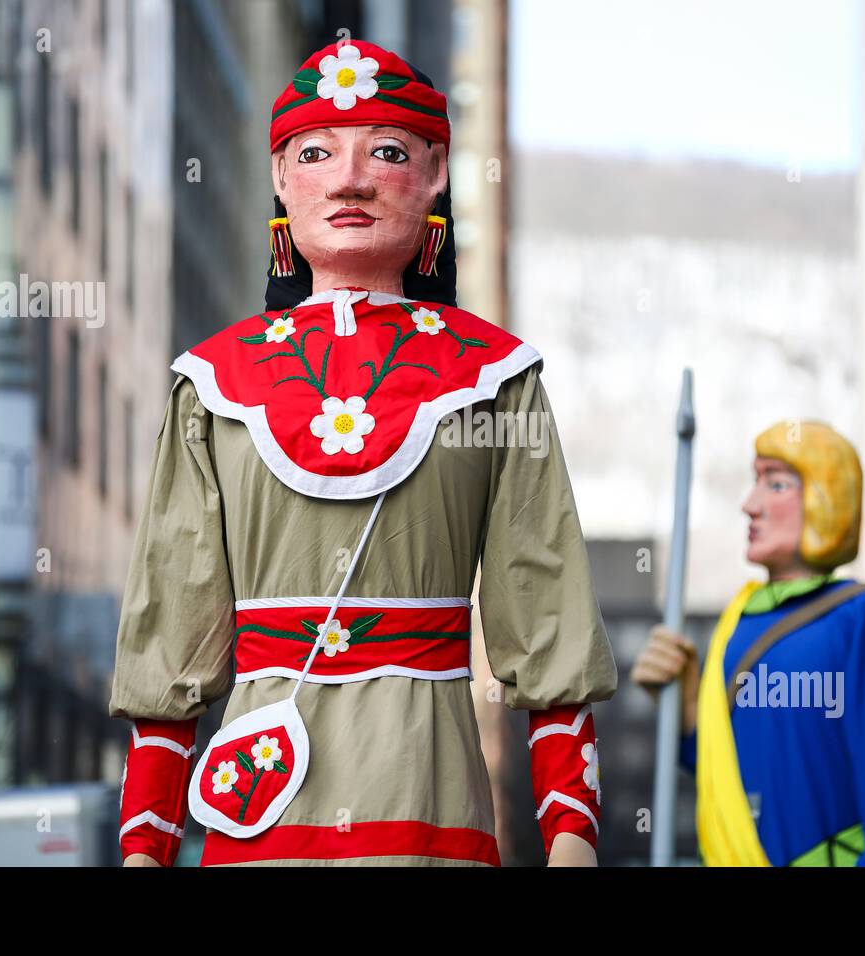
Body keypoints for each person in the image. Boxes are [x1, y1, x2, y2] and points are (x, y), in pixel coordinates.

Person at [110, 38, 616, 867]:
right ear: (279, 178)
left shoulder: (495, 379)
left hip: (430, 794)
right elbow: (172, 641)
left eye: (385, 152)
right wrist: (145, 848)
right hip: (256, 814)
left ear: (438, 171)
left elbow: (545, 611)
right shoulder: (210, 385)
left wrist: (571, 836)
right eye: (315, 154)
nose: (348, 179)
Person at [631, 420, 865, 865]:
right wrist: (686, 711)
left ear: (827, 496)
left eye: (777, 484)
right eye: (755, 481)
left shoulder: (858, 615)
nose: (750, 505)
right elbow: (722, 774)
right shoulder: (736, 623)